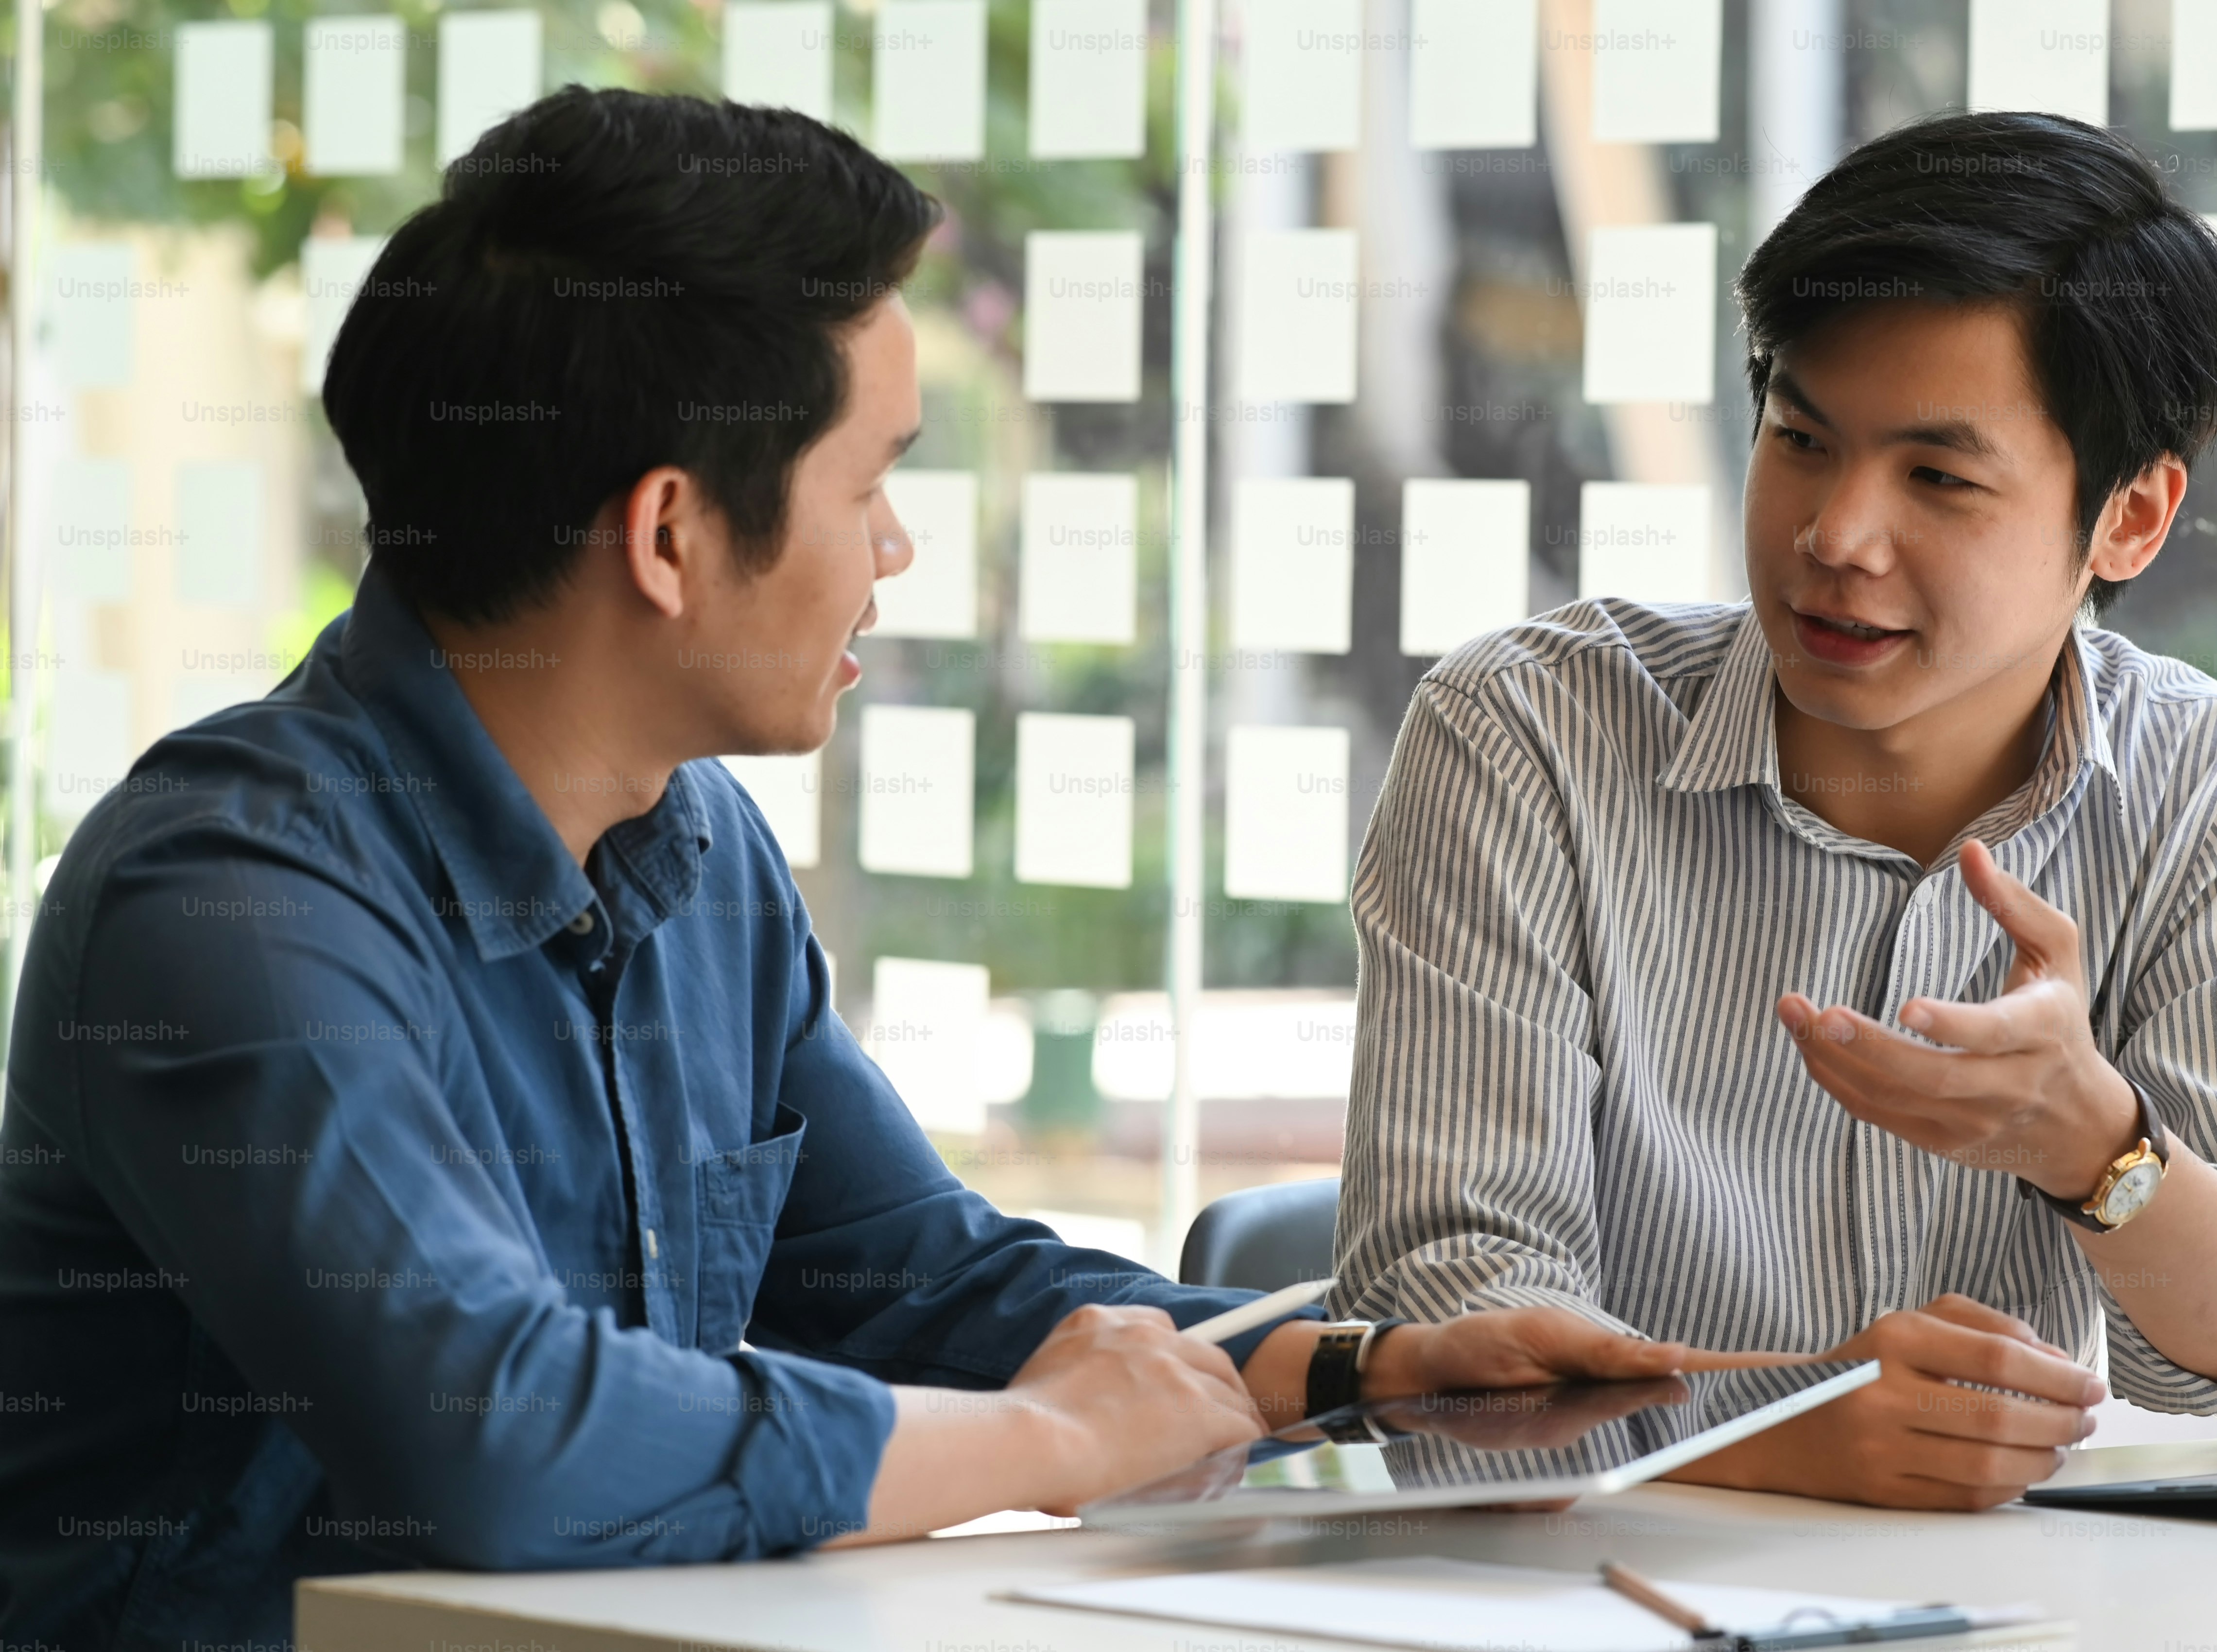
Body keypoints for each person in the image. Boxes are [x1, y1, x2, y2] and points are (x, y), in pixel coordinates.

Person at [0, 89, 1676, 1648]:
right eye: (871, 482)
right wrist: (1039, 1440)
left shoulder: (695, 848)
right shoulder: (225, 900)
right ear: (669, 536)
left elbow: (925, 1284)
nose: (897, 546)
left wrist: (1367, 1369)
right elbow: (497, 1435)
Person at [1335, 111, 2217, 1511]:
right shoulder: (1528, 737)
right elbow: (1437, 1339)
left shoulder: (2203, 783)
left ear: (2129, 518)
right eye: (1799, 437)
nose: (1836, 535)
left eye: (1939, 478)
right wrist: (1782, 1447)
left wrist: (2097, 1149)